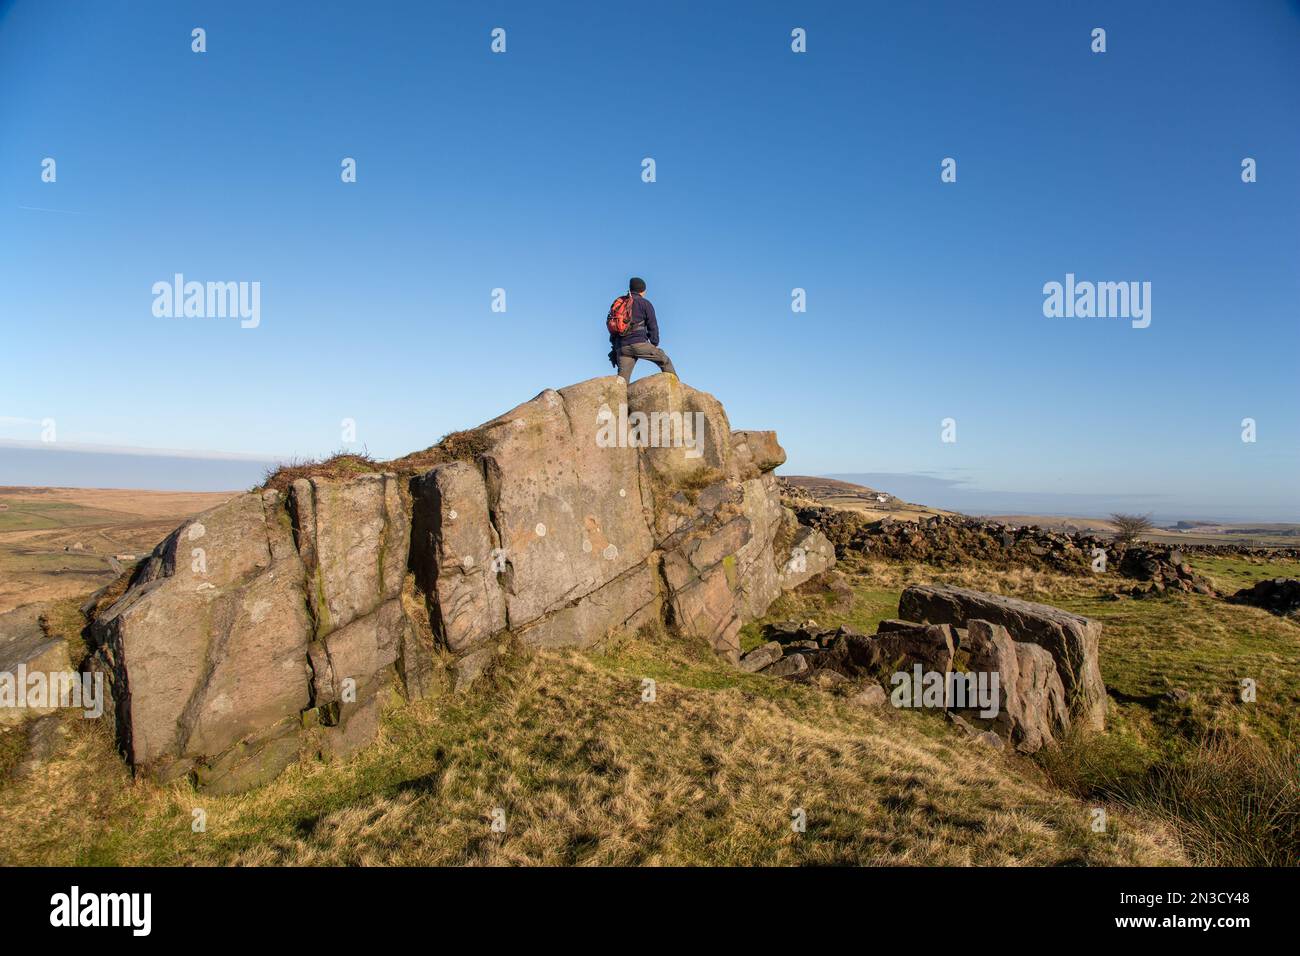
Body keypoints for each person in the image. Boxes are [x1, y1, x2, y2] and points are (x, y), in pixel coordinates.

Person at [607, 277, 678, 382]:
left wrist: (616, 348)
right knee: (665, 360)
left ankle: (618, 396)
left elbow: (614, 326)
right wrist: (654, 343)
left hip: (622, 348)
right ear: (643, 290)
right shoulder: (645, 303)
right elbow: (653, 326)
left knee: (622, 381)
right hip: (639, 344)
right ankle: (678, 392)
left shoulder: (620, 303)